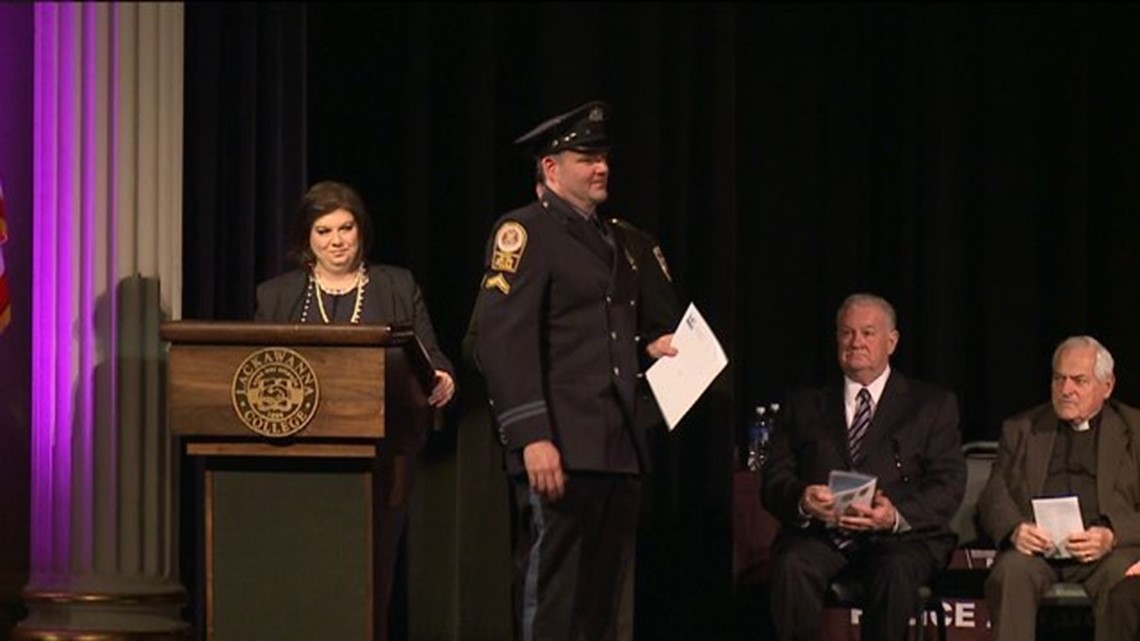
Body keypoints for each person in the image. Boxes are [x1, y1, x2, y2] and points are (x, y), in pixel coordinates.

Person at [472, 99, 676, 641]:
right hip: (560, 443)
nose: (601, 166)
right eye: (586, 157)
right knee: (555, 594)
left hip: (617, 444)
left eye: (603, 156)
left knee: (605, 603)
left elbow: (612, 334)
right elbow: (500, 339)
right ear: (551, 168)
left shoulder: (616, 239)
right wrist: (532, 435)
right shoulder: (526, 231)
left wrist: (654, 346)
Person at [254, 179, 456, 640]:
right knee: (310, 575)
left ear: (361, 230)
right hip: (298, 457)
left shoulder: (396, 285)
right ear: (307, 237)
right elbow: (259, 367)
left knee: (372, 574)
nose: (336, 241)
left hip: (386, 454)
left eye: (345, 228)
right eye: (323, 231)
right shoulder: (277, 295)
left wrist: (443, 377)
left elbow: (432, 356)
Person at [761, 292, 966, 641]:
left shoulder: (931, 405)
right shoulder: (804, 404)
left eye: (868, 333)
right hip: (822, 535)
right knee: (792, 564)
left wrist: (895, 515)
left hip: (899, 539)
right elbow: (774, 478)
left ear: (892, 341)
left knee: (896, 570)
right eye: (847, 333)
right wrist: (803, 499)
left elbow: (948, 484)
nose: (856, 343)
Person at [978, 335, 1140, 641]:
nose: (1066, 390)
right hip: (1038, 550)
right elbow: (993, 495)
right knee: (1010, 573)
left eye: (1079, 381)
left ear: (1107, 386)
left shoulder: (1134, 429)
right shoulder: (1022, 428)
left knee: (1126, 584)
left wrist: (1113, 534)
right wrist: (1015, 529)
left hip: (1107, 552)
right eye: (1059, 379)